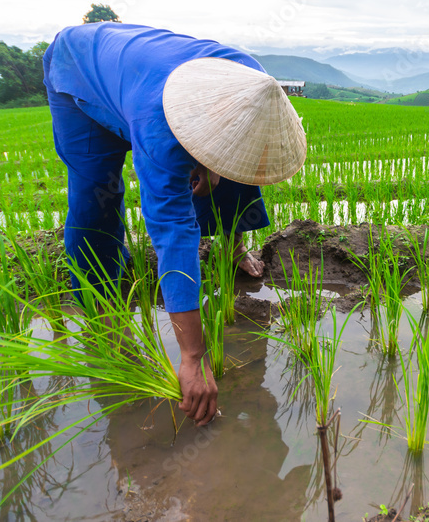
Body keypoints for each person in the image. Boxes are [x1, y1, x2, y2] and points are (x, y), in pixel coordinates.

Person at [42, 22, 306, 427]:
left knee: (233, 171)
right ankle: (99, 305)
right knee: (98, 191)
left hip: (143, 77)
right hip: (80, 76)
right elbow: (173, 232)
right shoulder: (158, 129)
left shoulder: (252, 82)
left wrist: (212, 165)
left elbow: (232, 151)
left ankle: (233, 250)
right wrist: (193, 358)